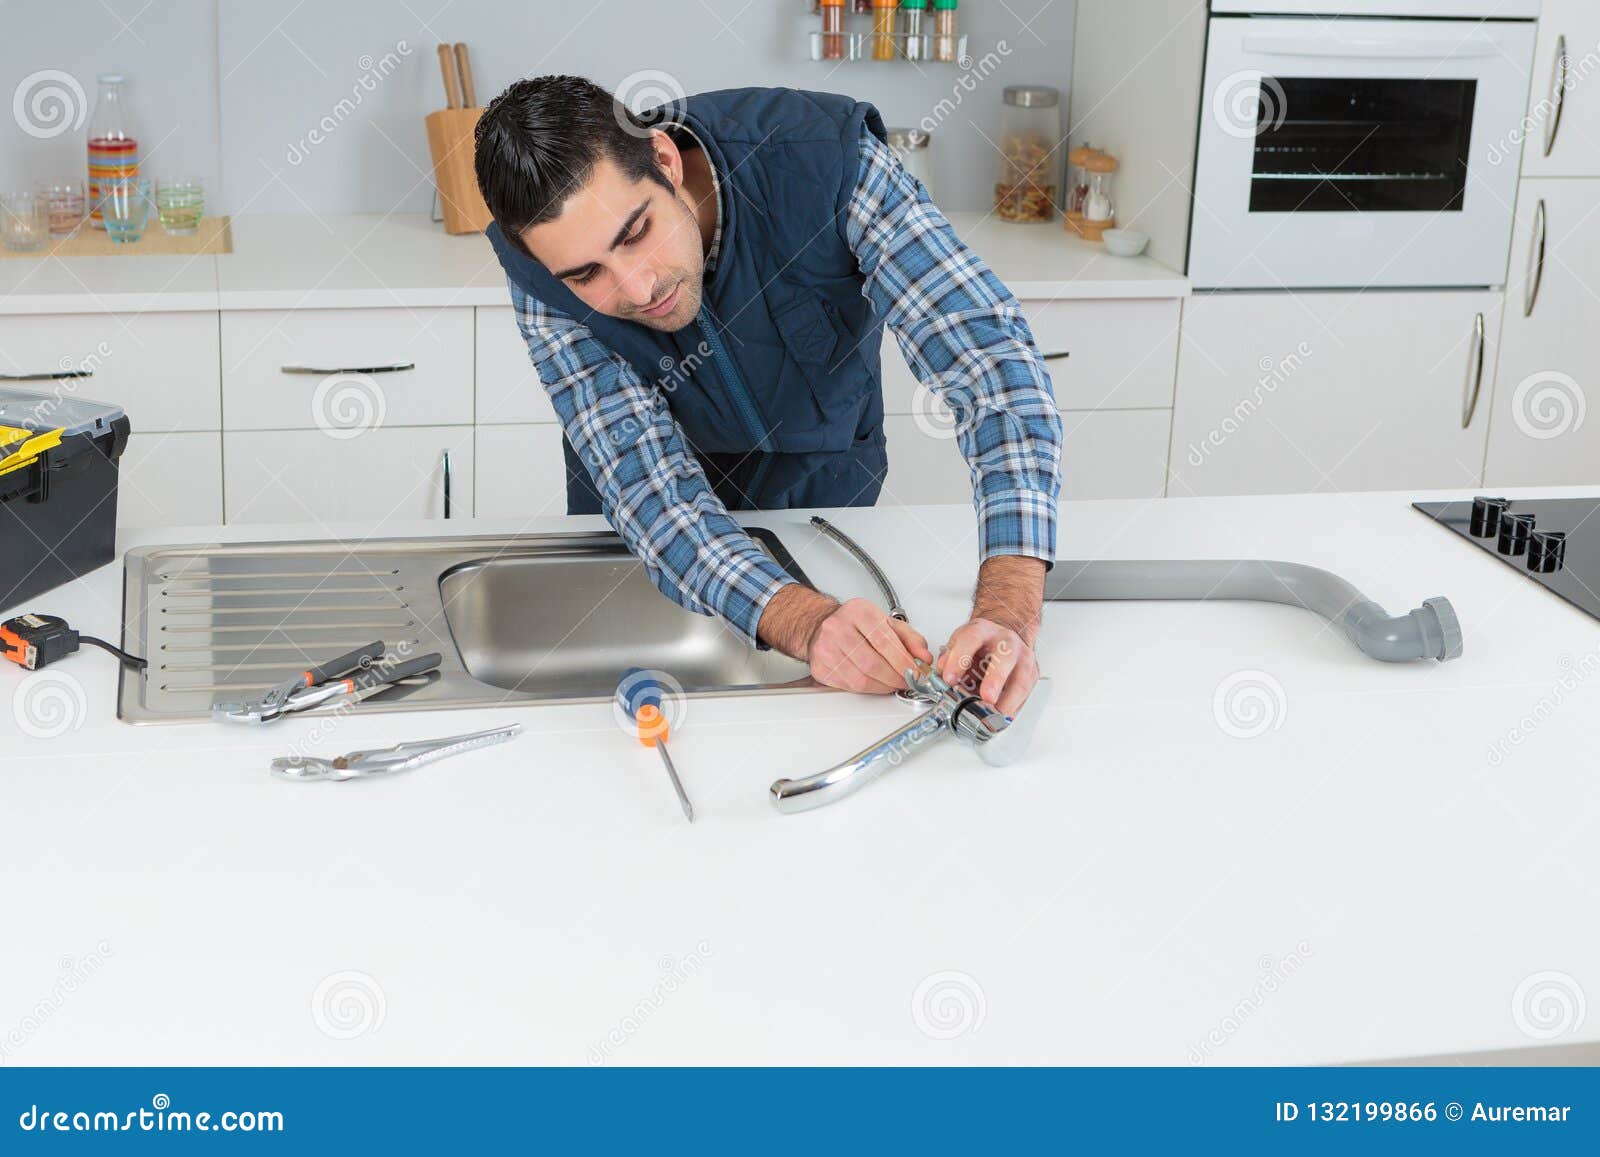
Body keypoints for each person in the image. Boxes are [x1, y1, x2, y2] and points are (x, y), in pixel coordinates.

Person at [474, 77, 1062, 715]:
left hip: (824, 490)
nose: (638, 289)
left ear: (666, 163)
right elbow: (654, 496)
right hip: (646, 542)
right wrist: (804, 623)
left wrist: (1008, 607)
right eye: (588, 275)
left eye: (636, 233)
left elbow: (990, 368)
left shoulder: (823, 160)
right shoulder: (539, 272)